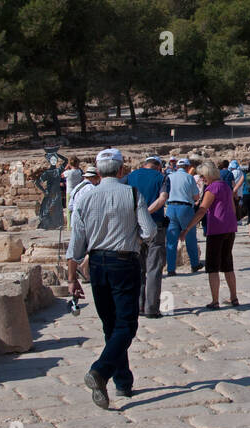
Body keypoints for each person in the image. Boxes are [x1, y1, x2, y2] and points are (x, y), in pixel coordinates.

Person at [67, 150, 157, 409]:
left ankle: (122, 382)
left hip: (96, 264)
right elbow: (149, 230)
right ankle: (100, 371)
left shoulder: (84, 197)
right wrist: (135, 239)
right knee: (126, 325)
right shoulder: (131, 194)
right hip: (124, 262)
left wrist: (72, 279)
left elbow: (76, 245)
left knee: (111, 325)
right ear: (121, 170)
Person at [189, 162, 239, 309]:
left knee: (213, 267)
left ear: (208, 175)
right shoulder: (225, 186)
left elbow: (202, 210)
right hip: (229, 229)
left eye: (203, 176)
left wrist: (187, 228)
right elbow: (232, 207)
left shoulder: (212, 188)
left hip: (216, 229)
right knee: (228, 264)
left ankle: (215, 300)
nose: (202, 179)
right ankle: (234, 297)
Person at [126, 155, 171, 318]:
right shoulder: (162, 177)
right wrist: (146, 213)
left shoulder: (130, 176)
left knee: (138, 268)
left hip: (134, 226)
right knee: (154, 268)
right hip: (155, 225)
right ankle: (151, 308)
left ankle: (138, 306)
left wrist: (137, 216)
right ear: (158, 167)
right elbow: (162, 198)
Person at [164, 158, 203, 276]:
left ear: (177, 167)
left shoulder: (169, 177)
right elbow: (196, 196)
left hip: (171, 207)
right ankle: (194, 264)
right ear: (187, 167)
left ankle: (171, 268)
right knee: (190, 236)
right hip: (185, 208)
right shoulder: (189, 177)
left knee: (171, 240)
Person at [63, 157, 83, 231]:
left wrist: (66, 168)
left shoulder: (68, 172)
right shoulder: (79, 171)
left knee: (69, 209)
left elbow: (61, 175)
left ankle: (69, 226)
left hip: (69, 191)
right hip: (77, 190)